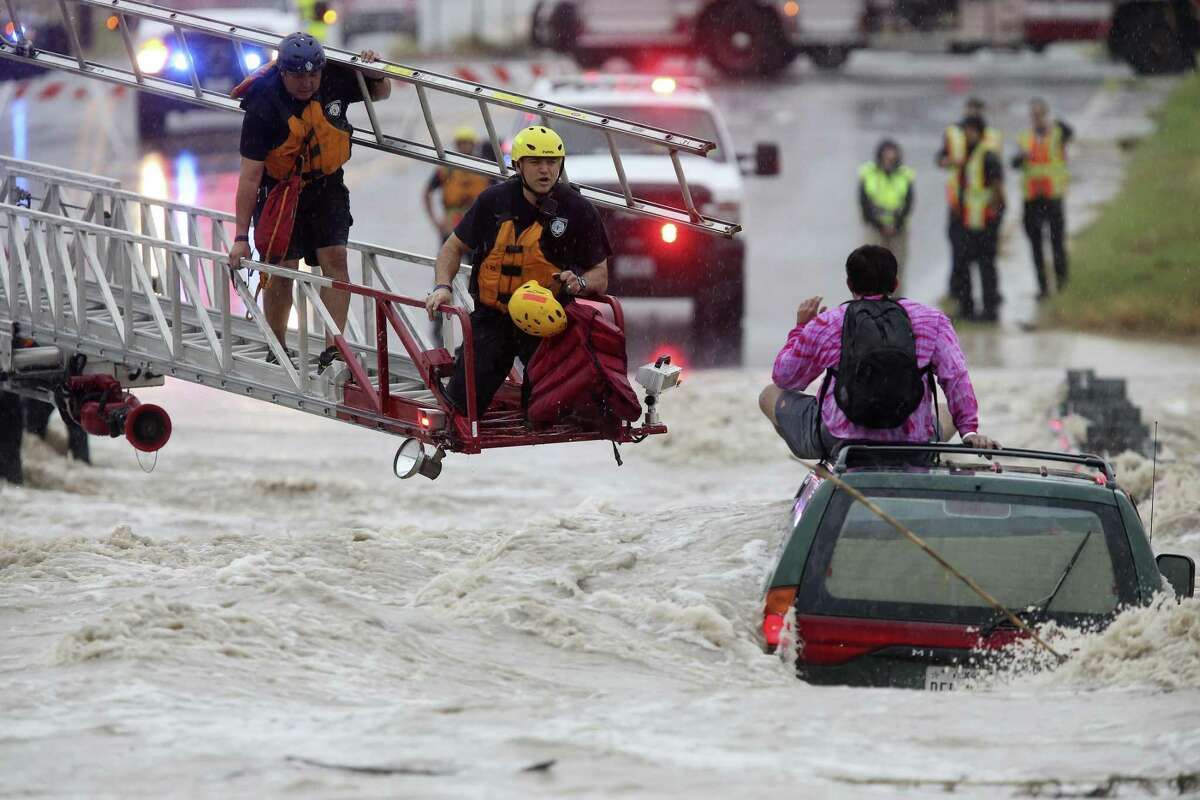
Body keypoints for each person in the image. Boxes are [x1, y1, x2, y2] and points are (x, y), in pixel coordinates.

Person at [227, 32, 391, 369]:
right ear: (283, 73)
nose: (307, 83)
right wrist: (241, 238)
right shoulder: (263, 103)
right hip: (280, 192)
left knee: (336, 260)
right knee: (282, 270)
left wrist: (376, 72)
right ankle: (277, 343)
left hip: (327, 186)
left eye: (313, 75)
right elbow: (249, 177)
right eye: (299, 77)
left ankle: (335, 347)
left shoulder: (334, 77)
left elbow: (381, 94)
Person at [424, 125, 612, 417]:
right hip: (492, 319)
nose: (545, 170)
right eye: (536, 162)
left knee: (548, 414)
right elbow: (451, 249)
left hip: (547, 324)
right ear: (518, 165)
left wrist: (580, 283)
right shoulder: (493, 201)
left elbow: (600, 274)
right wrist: (442, 286)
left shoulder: (578, 210)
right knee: (459, 410)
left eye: (552, 162)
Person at [758, 244, 1000, 460]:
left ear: (849, 285)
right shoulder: (932, 320)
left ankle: (827, 458)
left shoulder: (828, 323)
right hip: (913, 443)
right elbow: (956, 377)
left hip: (841, 441)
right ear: (895, 283)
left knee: (769, 394)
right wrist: (969, 431)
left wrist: (800, 329)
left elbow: (786, 378)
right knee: (947, 410)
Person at [947, 115, 1006, 322]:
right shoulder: (964, 155)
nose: (967, 134)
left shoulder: (987, 156)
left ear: (979, 132)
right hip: (966, 221)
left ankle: (990, 310)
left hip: (984, 222)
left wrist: (995, 215)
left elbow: (997, 188)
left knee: (986, 267)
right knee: (963, 265)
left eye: (971, 130)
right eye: (965, 130)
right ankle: (967, 308)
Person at [1013, 98, 1073, 299]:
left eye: (1041, 115)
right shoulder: (1025, 138)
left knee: (1057, 243)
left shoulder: (1057, 134)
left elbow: (1070, 132)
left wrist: (1055, 122)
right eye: (1034, 115)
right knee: (1036, 246)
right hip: (1032, 198)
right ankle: (1043, 288)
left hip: (1052, 197)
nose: (1037, 119)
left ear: (1046, 115)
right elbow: (1014, 163)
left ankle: (1062, 284)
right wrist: (1021, 157)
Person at [858, 139, 915, 284]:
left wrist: (896, 224)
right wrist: (879, 225)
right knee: (871, 267)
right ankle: (872, 302)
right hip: (875, 228)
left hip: (898, 229)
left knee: (896, 268)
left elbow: (909, 202)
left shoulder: (905, 175)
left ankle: (895, 303)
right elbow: (864, 202)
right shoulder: (869, 173)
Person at [423, 127, 493, 243]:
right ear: (457, 144)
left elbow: (498, 195)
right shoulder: (446, 169)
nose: (464, 146)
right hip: (451, 224)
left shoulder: (484, 169)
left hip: (477, 224)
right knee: (447, 257)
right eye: (461, 143)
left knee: (476, 259)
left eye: (467, 143)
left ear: (473, 144)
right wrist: (435, 221)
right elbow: (427, 193)